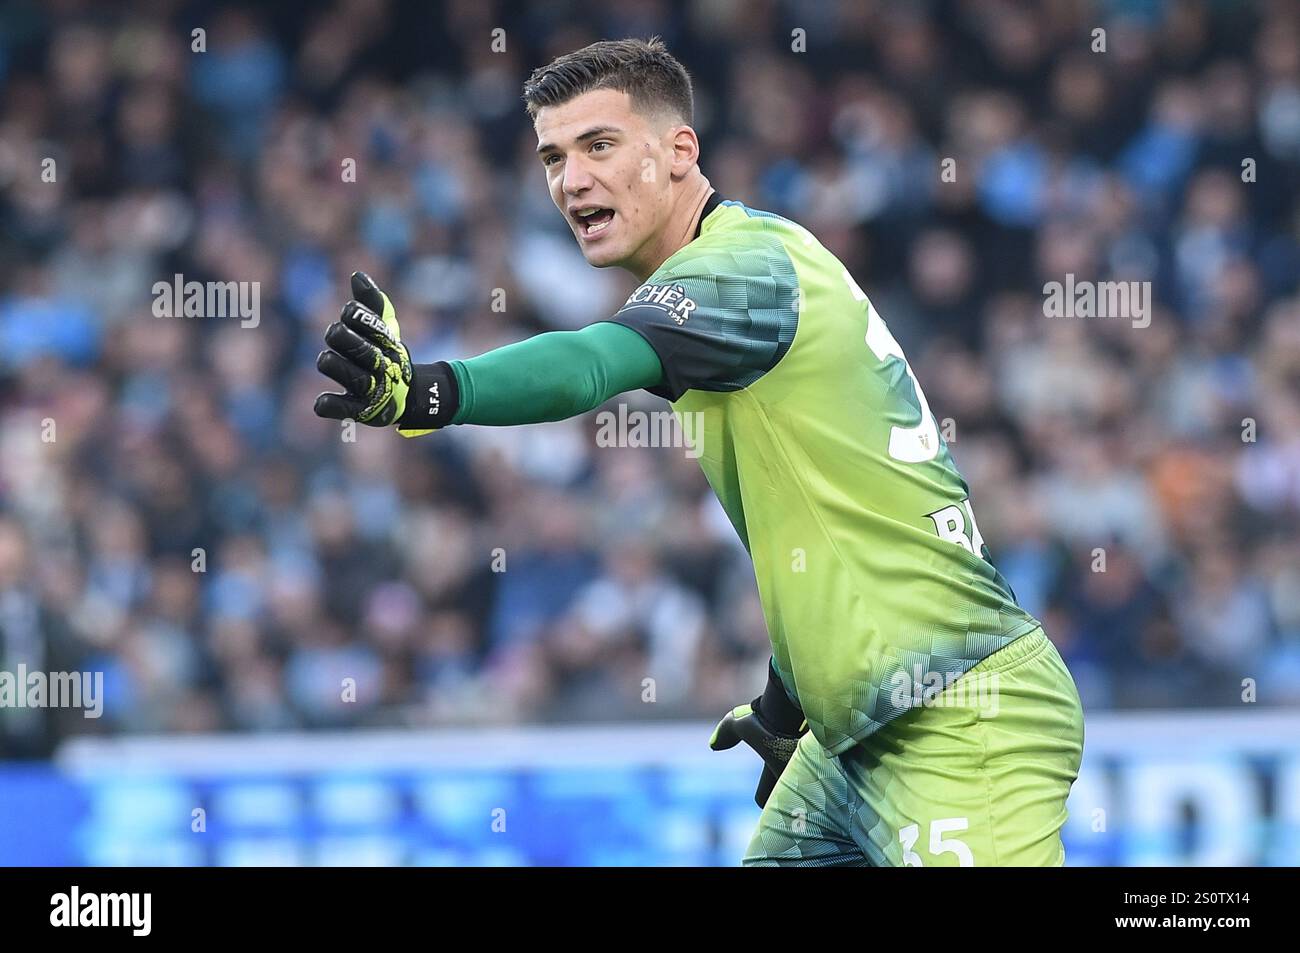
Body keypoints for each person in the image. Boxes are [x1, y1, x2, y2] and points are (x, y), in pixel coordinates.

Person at [313, 37, 1084, 866]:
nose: (572, 180)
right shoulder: (740, 283)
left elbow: (591, 363)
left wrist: (431, 391)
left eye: (600, 145)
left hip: (957, 716)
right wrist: (790, 702)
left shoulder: (738, 270)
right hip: (853, 737)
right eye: (553, 157)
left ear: (680, 151)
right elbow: (828, 525)